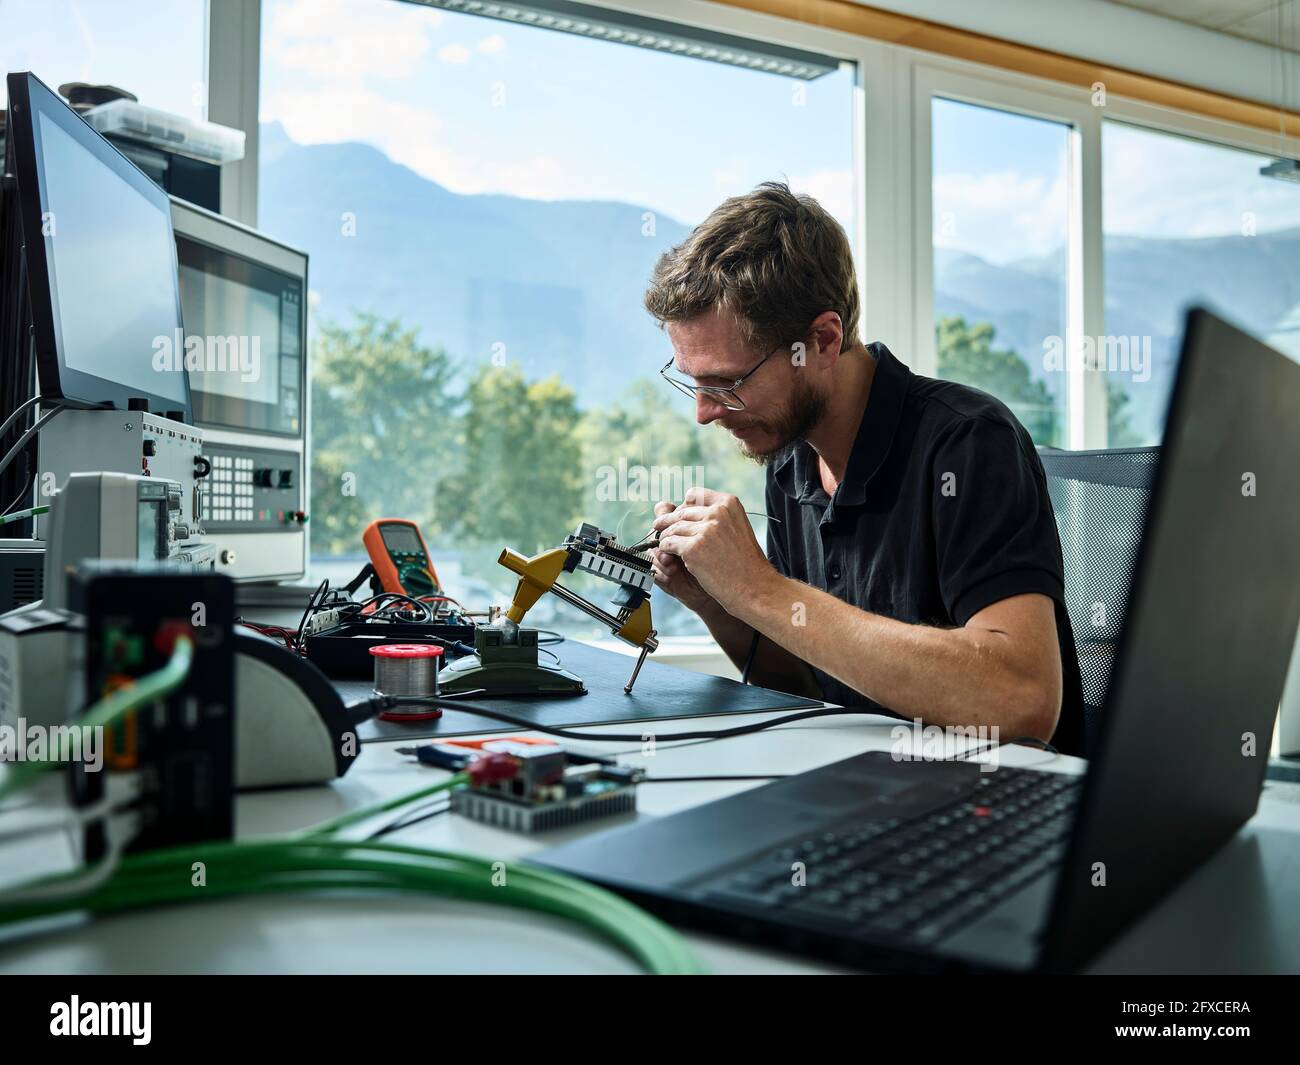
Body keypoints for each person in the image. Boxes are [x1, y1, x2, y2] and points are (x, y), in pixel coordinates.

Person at [643, 182, 1084, 755]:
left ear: (823, 340)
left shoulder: (969, 442)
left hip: (996, 801)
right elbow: (810, 688)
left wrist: (758, 588)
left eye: (727, 384)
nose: (704, 413)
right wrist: (720, 602)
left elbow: (1021, 702)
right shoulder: (791, 464)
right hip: (867, 783)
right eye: (694, 384)